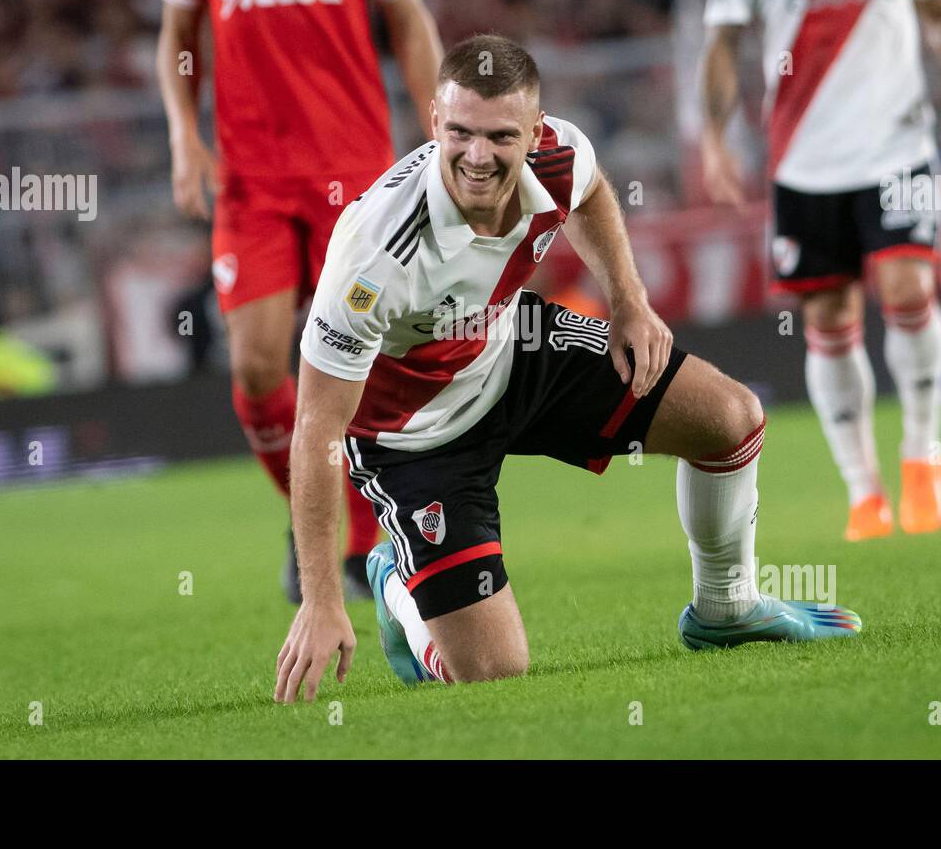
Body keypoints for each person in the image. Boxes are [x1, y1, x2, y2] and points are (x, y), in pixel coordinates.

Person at [273, 35, 861, 702]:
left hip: (514, 351)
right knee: (493, 672)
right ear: (434, 121)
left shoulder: (559, 152)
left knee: (731, 419)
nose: (477, 155)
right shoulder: (375, 253)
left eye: (500, 136)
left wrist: (629, 300)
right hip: (415, 438)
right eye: (459, 132)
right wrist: (321, 600)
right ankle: (396, 582)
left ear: (533, 131)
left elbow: (591, 193)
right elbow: (318, 426)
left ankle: (726, 610)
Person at [156, 0, 444, 599]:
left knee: (369, 362)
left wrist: (443, 130)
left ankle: (365, 538)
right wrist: (181, 133)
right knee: (256, 369)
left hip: (353, 171)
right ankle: (313, 513)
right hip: (251, 179)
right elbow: (179, 33)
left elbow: (407, 19)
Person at [700, 0, 941, 541]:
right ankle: (864, 492)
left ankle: (921, 454)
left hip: (897, 142)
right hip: (803, 155)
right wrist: (717, 137)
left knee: (908, 284)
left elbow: (940, 10)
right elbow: (724, 39)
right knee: (828, 316)